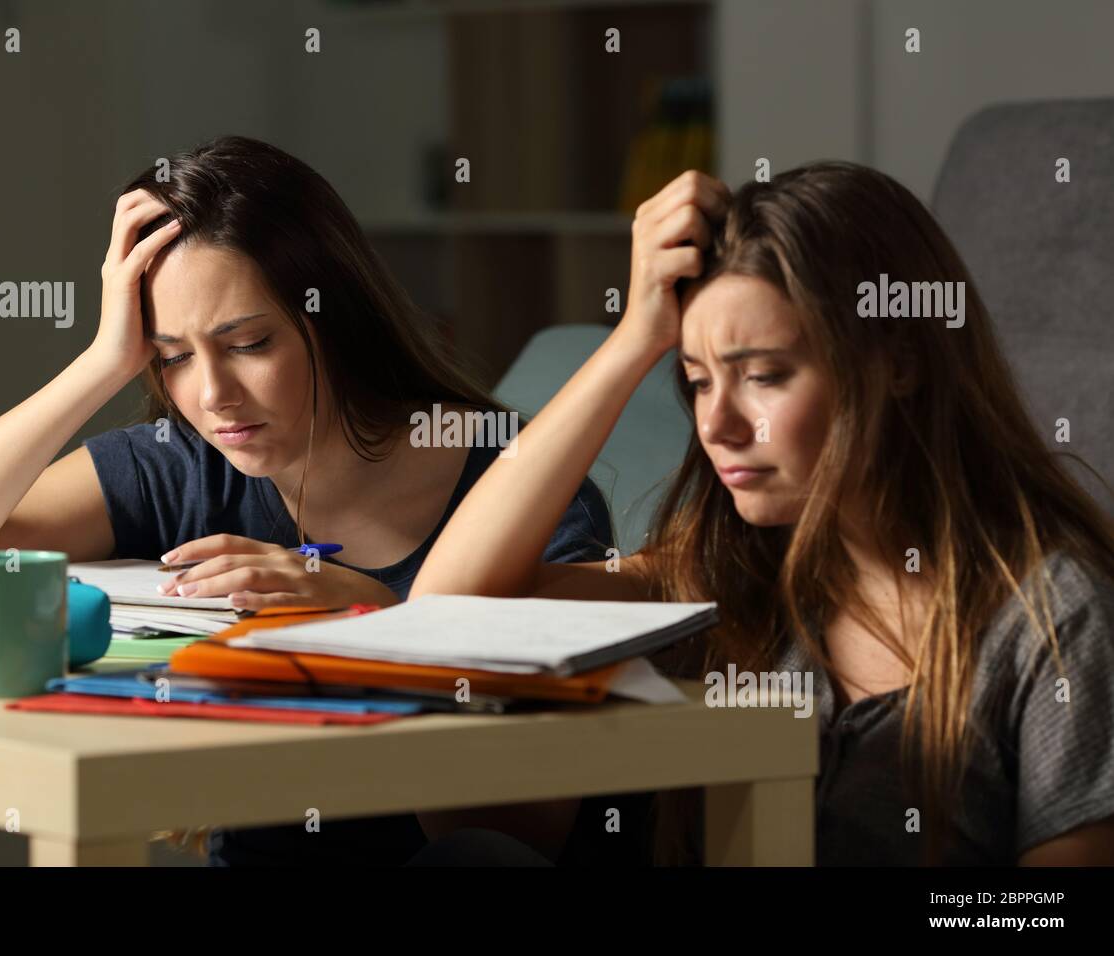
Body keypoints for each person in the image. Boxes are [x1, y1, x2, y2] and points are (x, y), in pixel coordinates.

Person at [0, 135, 614, 866]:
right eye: (174, 357)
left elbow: (514, 825)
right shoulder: (184, 465)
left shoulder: (519, 483)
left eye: (249, 344)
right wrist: (102, 362)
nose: (213, 397)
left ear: (336, 319)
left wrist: (382, 627)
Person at [410, 162, 1114, 865]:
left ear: (898, 361)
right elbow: (450, 615)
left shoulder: (1052, 618)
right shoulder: (726, 576)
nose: (716, 424)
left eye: (764, 376)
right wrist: (633, 339)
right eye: (696, 381)